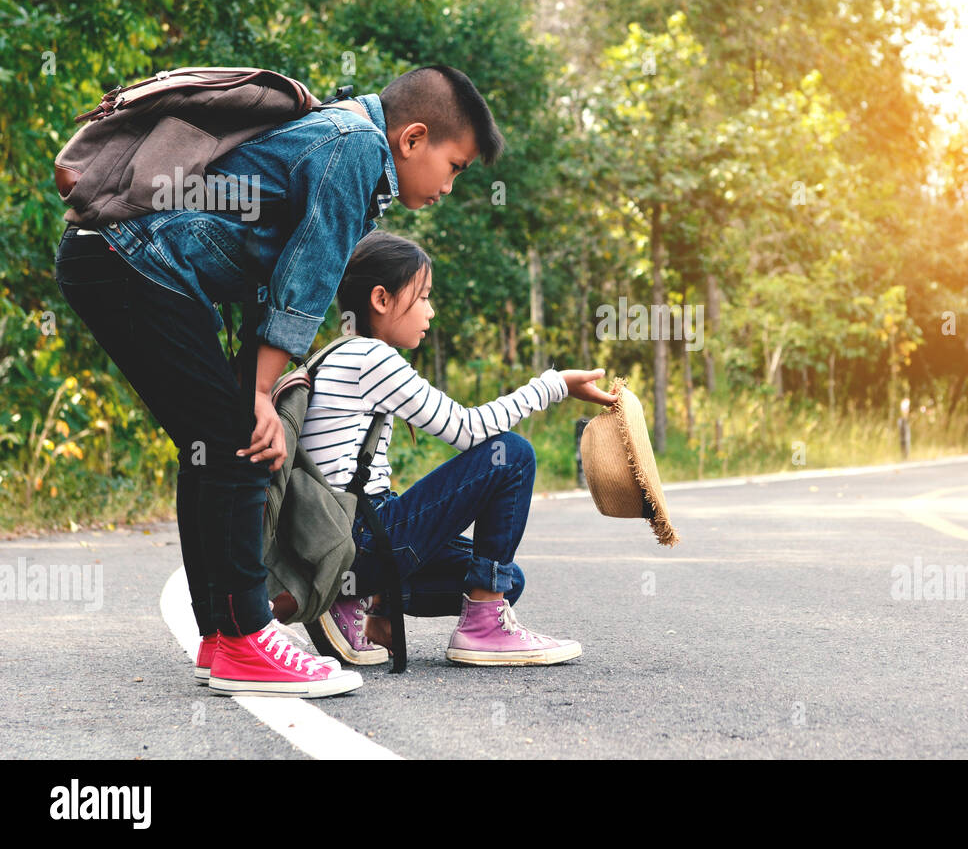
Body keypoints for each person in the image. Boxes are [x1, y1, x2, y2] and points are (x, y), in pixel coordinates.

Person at [54, 65, 503, 697]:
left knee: (217, 446)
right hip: (129, 262)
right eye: (454, 166)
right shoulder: (354, 147)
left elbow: (263, 276)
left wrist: (256, 387)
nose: (450, 187)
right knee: (239, 440)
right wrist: (259, 396)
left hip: (119, 261)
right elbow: (304, 282)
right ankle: (246, 640)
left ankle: (223, 636)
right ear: (413, 138)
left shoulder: (345, 140)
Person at [297, 231, 615, 666]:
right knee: (513, 456)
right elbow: (466, 430)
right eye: (423, 296)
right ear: (381, 299)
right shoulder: (371, 358)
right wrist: (552, 385)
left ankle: (365, 602)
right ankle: (482, 627)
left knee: (505, 578)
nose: (430, 310)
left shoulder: (334, 354)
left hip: (336, 542)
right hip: (358, 538)